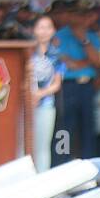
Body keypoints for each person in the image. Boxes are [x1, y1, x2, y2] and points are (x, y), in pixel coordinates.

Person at [53, 0, 100, 162]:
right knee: (65, 127)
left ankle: (90, 161)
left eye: (83, 15)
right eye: (76, 14)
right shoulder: (59, 36)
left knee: (88, 126)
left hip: (87, 85)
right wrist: (86, 62)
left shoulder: (92, 37)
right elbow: (68, 64)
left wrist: (84, 40)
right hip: (68, 86)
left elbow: (98, 62)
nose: (80, 19)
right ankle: (63, 162)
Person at [30, 14, 64, 173]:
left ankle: (42, 178)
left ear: (53, 31)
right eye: (40, 27)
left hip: (45, 104)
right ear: (34, 30)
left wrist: (40, 94)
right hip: (25, 104)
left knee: (42, 146)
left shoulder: (57, 55)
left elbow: (57, 84)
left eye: (48, 27)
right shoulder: (26, 53)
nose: (44, 31)